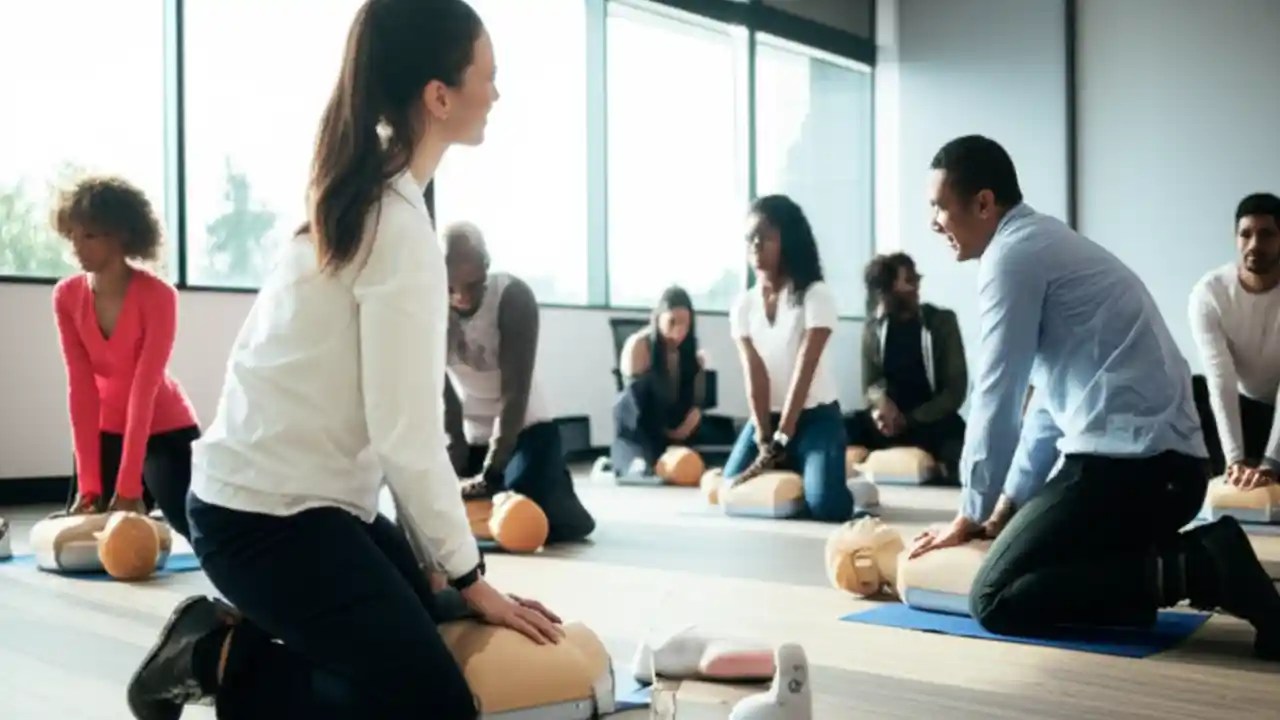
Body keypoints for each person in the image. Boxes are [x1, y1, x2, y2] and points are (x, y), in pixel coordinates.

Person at [126, 3, 564, 718]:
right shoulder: (395, 226)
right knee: (432, 705)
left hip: (314, 503)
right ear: (439, 96)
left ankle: (260, 646)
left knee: (425, 621)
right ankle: (215, 657)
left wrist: (444, 572)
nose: (498, 93)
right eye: (490, 76)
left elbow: (393, 434)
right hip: (260, 517)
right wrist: (472, 575)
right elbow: (407, 434)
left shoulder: (373, 198)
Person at [909, 134, 1279, 660]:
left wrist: (969, 512)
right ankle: (1181, 562)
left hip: (1135, 470)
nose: (933, 222)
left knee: (994, 598)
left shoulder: (1011, 257)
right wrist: (1003, 509)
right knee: (1026, 559)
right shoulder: (1040, 244)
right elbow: (1046, 409)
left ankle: (1200, 564)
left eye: (939, 207)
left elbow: (997, 392)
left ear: (984, 203)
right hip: (1157, 470)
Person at [49, 175, 200, 539]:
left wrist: (130, 488)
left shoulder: (159, 296)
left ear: (121, 235)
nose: (76, 248)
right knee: (85, 537)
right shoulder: (66, 297)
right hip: (107, 428)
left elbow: (144, 389)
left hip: (165, 427)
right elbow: (81, 393)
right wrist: (89, 490)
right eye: (73, 235)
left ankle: (146, 499)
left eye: (89, 236)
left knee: (196, 528)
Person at [442, 221, 596, 543]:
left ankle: (555, 487)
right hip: (474, 436)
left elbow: (514, 394)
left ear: (486, 264)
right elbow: (442, 394)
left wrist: (490, 475)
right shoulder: (428, 306)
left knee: (526, 502)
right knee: (443, 503)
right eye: (451, 286)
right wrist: (455, 468)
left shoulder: (512, 297)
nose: (461, 297)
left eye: (471, 285)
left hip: (525, 429)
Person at [722, 195, 850, 522]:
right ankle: (799, 463)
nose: (755, 244)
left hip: (815, 419)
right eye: (750, 237)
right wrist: (764, 435)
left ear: (787, 240)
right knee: (730, 490)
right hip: (766, 419)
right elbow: (755, 374)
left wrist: (783, 435)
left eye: (764, 236)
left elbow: (804, 370)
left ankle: (841, 478)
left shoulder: (815, 295)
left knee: (825, 506)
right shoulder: (743, 305)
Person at [848, 252, 967, 480]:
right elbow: (870, 387)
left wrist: (910, 419)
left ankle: (938, 471)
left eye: (916, 279)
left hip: (931, 420)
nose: (916, 286)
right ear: (890, 289)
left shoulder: (941, 322)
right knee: (840, 428)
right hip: (888, 423)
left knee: (962, 450)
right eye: (909, 280)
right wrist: (879, 408)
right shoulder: (873, 328)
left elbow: (955, 392)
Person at [1189, 192, 1280, 488]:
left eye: (1266, 234)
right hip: (1246, 410)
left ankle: (1264, 468)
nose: (1254, 245)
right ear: (1236, 238)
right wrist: (1234, 460)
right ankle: (1232, 477)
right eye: (1246, 234)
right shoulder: (1210, 293)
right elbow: (1221, 379)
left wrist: (1271, 462)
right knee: (1195, 390)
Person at [610, 285, 707, 479]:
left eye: (685, 325)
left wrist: (691, 419)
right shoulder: (639, 345)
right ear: (658, 317)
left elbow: (696, 403)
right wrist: (669, 433)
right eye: (672, 322)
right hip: (642, 431)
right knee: (641, 469)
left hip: (677, 429)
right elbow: (634, 407)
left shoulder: (690, 353)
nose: (679, 331)